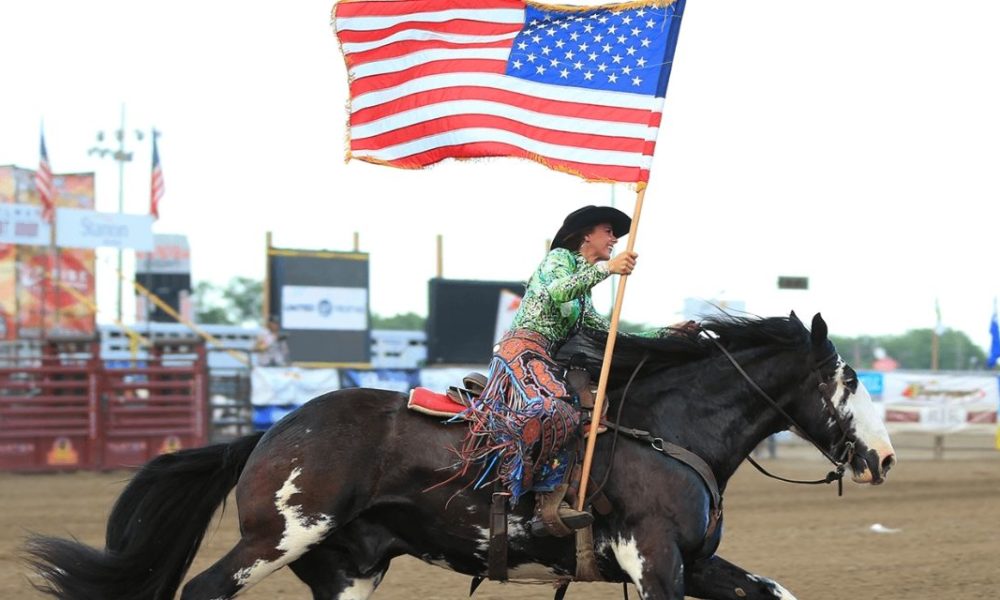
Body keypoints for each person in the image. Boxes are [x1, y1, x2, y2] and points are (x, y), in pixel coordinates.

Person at [461, 205, 683, 537]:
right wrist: (608, 268)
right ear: (585, 235)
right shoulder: (557, 261)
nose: (614, 239)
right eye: (608, 232)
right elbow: (557, 291)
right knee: (555, 407)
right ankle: (540, 506)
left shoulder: (584, 296)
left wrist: (666, 335)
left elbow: (607, 337)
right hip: (520, 351)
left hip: (545, 359)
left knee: (576, 409)